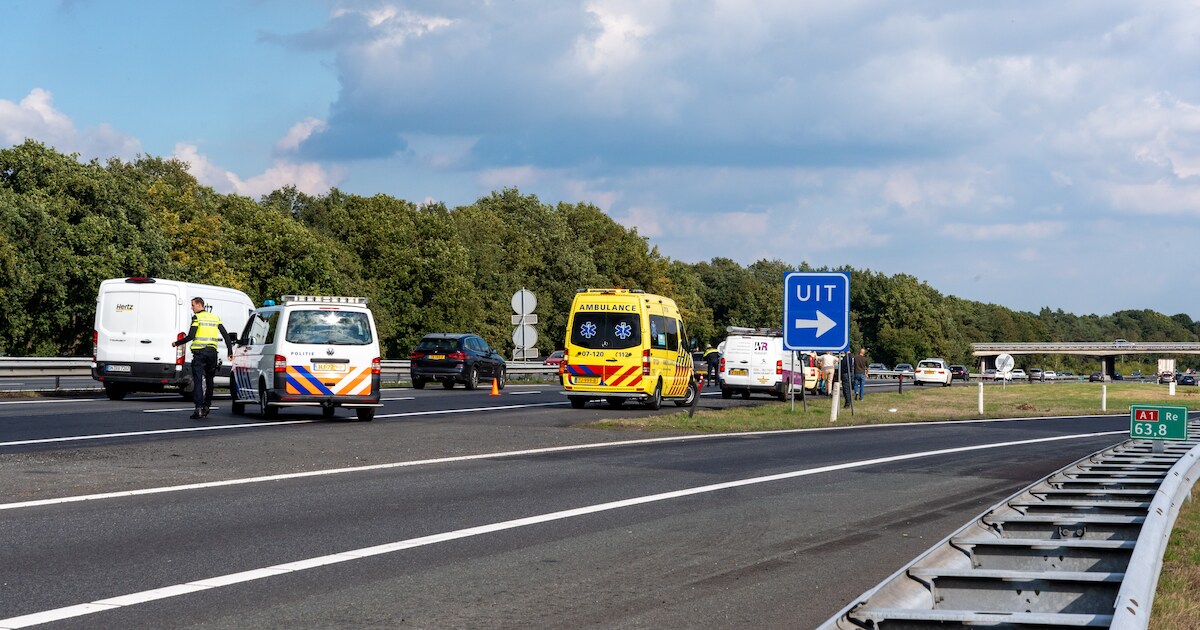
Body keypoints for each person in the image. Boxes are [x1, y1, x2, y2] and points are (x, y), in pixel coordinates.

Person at [172, 297, 234, 419]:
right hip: (212, 354)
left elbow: (190, 336)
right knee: (210, 381)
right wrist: (230, 351)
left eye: (193, 305)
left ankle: (198, 409)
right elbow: (226, 335)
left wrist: (176, 343)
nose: (192, 307)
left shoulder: (197, 318)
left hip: (200, 354)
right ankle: (207, 407)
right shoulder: (215, 318)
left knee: (198, 380)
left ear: (199, 305)